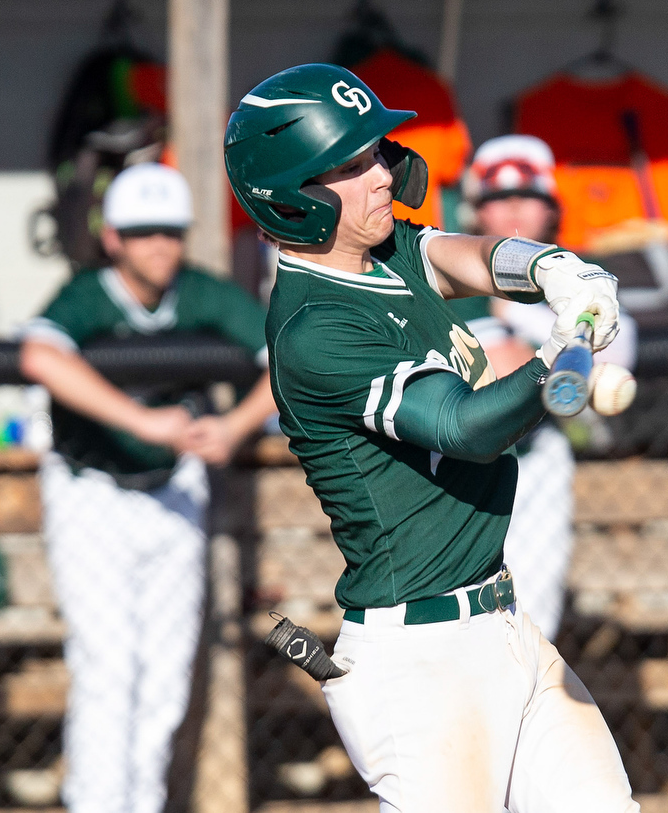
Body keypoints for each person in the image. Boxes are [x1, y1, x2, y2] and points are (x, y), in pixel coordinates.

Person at [224, 63, 640, 813]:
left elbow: (463, 254)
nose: (382, 174)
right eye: (351, 166)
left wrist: (551, 270)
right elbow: (464, 427)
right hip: (418, 666)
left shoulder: (384, 252)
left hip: (503, 626)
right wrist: (553, 361)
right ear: (291, 199)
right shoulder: (317, 329)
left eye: (378, 153)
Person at [19, 162, 277, 813]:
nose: (158, 245)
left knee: (164, 677)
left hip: (174, 490)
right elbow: (38, 354)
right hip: (91, 490)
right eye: (141, 232)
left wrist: (236, 428)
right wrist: (144, 421)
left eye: (170, 231)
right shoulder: (88, 293)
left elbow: (290, 354)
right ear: (113, 239)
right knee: (108, 668)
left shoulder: (201, 292)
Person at [452, 133, 635, 640]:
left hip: (537, 457)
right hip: (456, 467)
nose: (512, 210)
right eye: (496, 199)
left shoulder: (579, 276)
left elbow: (622, 348)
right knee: (466, 630)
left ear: (550, 208)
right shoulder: (450, 278)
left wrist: (517, 319)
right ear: (476, 212)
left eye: (527, 197)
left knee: (535, 622)